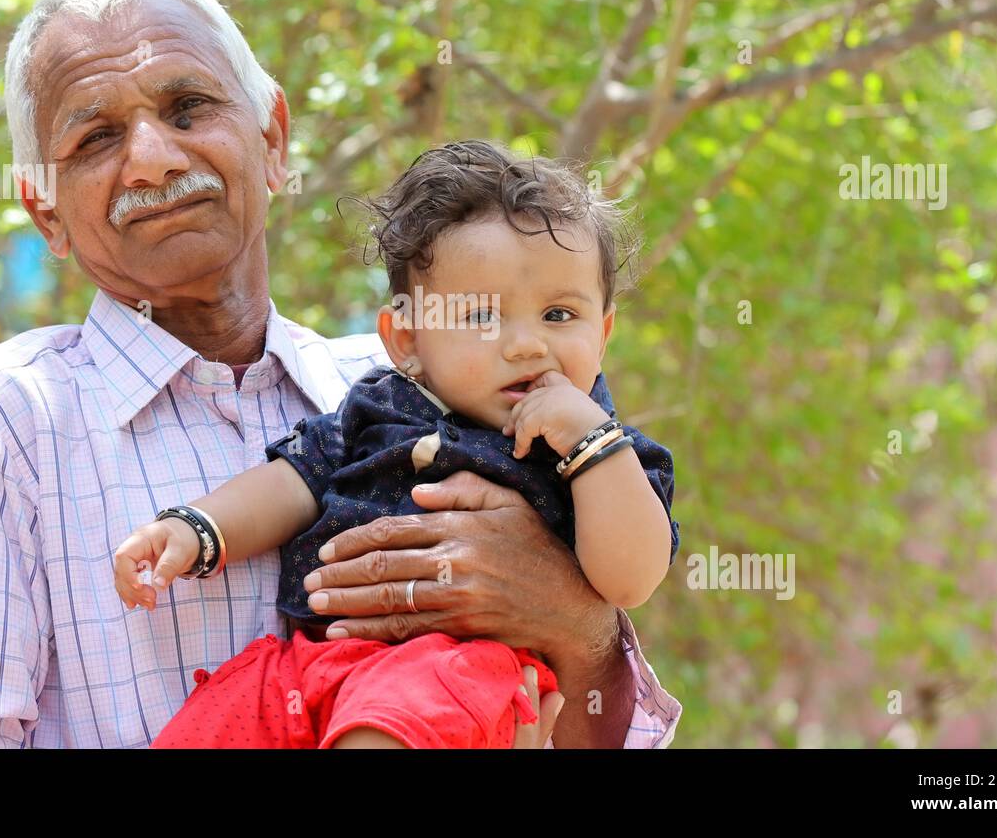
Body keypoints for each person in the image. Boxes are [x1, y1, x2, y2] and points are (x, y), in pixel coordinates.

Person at [0, 0, 681, 748]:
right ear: (46, 213)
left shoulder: (419, 384)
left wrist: (573, 624)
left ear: (274, 141)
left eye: (187, 108)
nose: (154, 157)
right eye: (97, 138)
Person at [114, 141, 678, 748]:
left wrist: (592, 443)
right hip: (309, 663)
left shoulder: (604, 455)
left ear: (605, 330)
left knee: (386, 725)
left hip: (454, 674)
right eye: (482, 317)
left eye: (560, 316)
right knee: (209, 723)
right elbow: (290, 481)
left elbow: (629, 581)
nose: (526, 345)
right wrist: (197, 529)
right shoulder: (377, 407)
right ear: (406, 339)